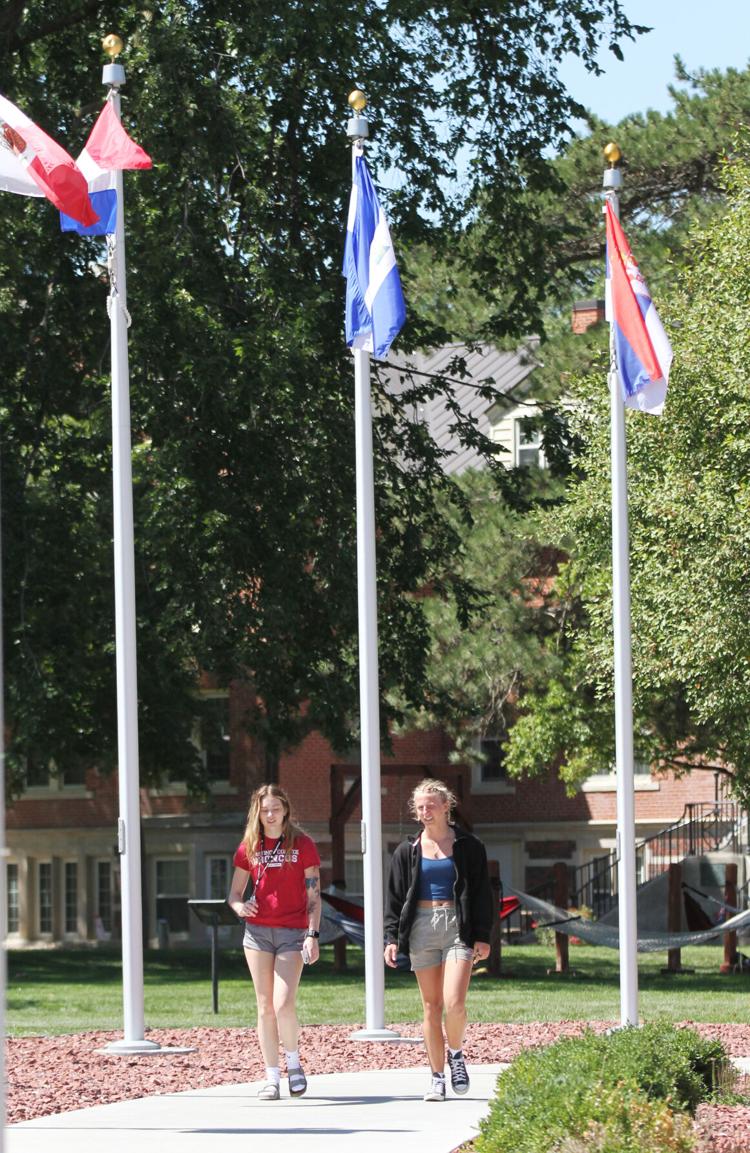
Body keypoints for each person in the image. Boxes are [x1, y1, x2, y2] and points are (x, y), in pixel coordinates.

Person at [384, 778, 494, 1102]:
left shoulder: (469, 846)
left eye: (431, 805)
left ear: (447, 806)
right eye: (419, 807)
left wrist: (483, 936)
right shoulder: (408, 850)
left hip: (458, 926)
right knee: (431, 1007)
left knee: (454, 1002)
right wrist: (391, 937)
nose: (425, 811)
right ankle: (436, 1077)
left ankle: (456, 1054)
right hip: (421, 926)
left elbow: (482, 894)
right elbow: (394, 897)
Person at [228, 783, 321, 1100]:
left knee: (283, 1003)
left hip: (292, 933)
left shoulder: (303, 844)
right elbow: (234, 894)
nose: (270, 815)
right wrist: (241, 907)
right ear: (258, 811)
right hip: (256, 934)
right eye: (265, 810)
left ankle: (294, 1064)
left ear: (286, 810)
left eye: (276, 809)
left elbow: (314, 896)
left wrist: (312, 934)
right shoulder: (249, 846)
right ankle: (271, 1077)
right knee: (265, 1007)